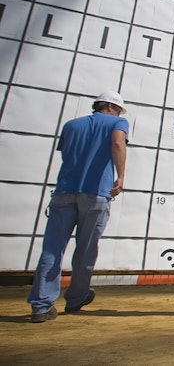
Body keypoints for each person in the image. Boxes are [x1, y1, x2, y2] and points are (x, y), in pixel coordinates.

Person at [27, 91, 129, 323]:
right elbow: (117, 142)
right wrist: (121, 176)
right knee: (86, 249)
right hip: (96, 193)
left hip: (64, 192)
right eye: (118, 110)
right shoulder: (118, 123)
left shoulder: (71, 125)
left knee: (52, 249)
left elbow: (68, 154)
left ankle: (41, 305)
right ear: (111, 107)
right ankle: (76, 298)